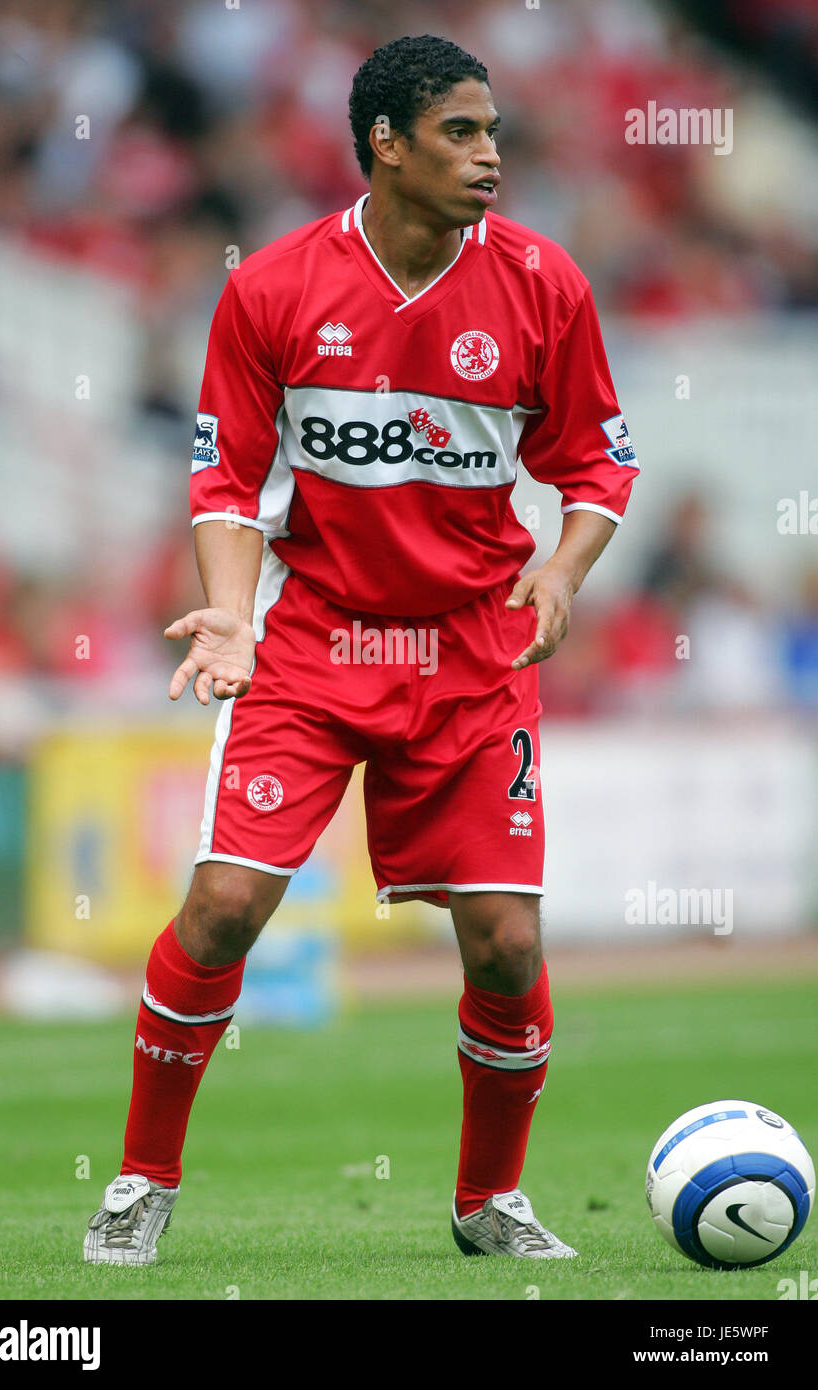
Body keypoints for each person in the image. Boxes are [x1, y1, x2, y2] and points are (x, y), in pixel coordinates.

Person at [84, 34, 639, 1266]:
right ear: (384, 143)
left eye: (493, 132)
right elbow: (225, 478)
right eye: (459, 131)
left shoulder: (544, 285)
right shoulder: (272, 288)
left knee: (505, 941)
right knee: (223, 904)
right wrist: (229, 611)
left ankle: (486, 1200)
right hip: (313, 645)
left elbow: (599, 461)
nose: (489, 154)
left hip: (471, 655)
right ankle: (138, 1180)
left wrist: (558, 568)